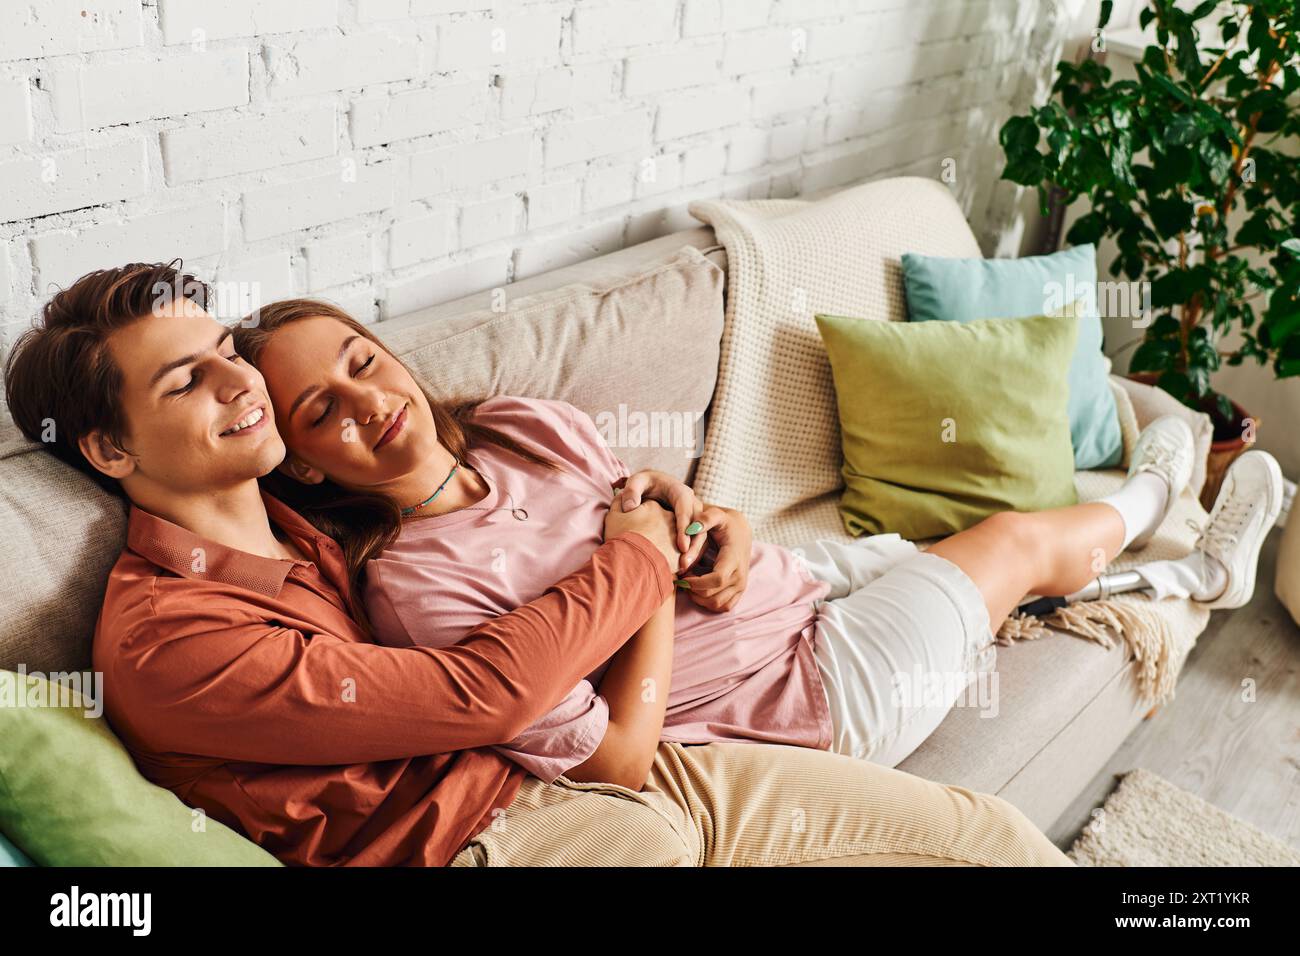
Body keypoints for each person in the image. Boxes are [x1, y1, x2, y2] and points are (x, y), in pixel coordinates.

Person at [4, 262, 1078, 866]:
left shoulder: (302, 518)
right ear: (108, 448)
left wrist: (688, 517)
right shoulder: (170, 642)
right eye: (187, 381)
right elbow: (480, 687)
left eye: (228, 354)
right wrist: (641, 554)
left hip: (601, 769)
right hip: (507, 844)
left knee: (984, 838)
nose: (239, 384)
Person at [232, 298, 1285, 791]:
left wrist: (712, 521)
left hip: (785, 581)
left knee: (964, 547)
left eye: (363, 360)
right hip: (798, 693)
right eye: (322, 408)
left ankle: (1164, 560)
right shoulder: (415, 588)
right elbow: (615, 754)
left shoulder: (518, 423)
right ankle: (1166, 504)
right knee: (1006, 543)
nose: (369, 400)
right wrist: (641, 572)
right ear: (308, 464)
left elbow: (655, 511)